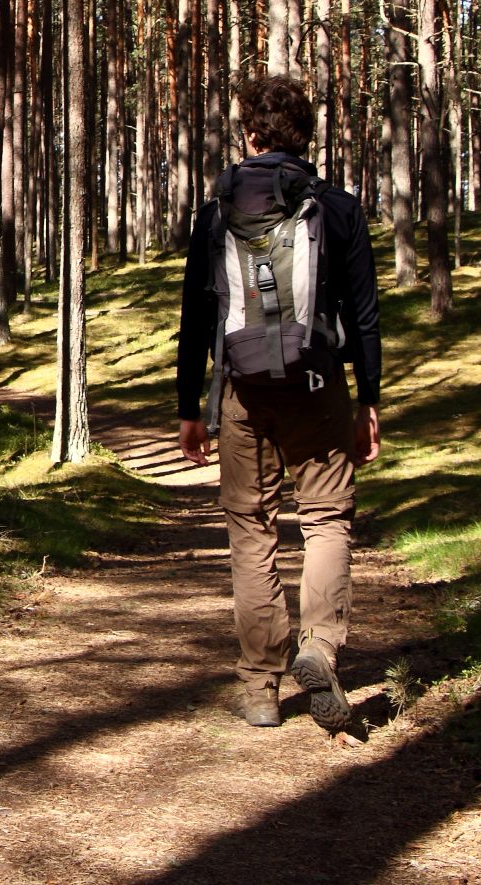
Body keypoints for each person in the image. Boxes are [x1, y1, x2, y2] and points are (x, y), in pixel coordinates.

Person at [174, 74, 382, 732]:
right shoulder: (340, 209)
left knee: (251, 529)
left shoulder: (218, 210)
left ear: (252, 134)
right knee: (325, 519)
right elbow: (367, 317)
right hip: (319, 385)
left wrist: (189, 406)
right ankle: (319, 647)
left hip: (242, 388)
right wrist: (369, 399)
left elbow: (195, 316)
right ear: (307, 136)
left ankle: (261, 685)